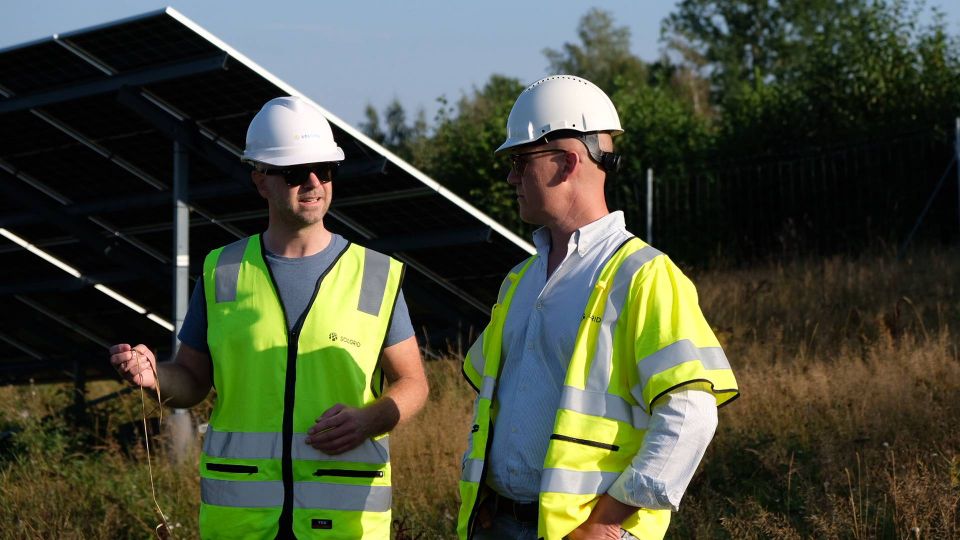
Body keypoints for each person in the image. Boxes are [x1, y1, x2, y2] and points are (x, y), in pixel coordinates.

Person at [109, 95, 428, 539]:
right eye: (296, 173)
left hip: (343, 519)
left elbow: (414, 383)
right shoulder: (222, 271)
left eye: (325, 169)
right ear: (261, 181)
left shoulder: (375, 274)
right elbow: (192, 380)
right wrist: (154, 378)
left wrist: (369, 419)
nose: (314, 182)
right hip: (241, 520)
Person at [456, 75, 740, 540]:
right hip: (497, 523)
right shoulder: (519, 280)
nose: (511, 177)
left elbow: (691, 413)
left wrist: (605, 522)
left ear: (566, 163)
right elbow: (497, 405)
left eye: (519, 161)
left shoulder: (643, 274)